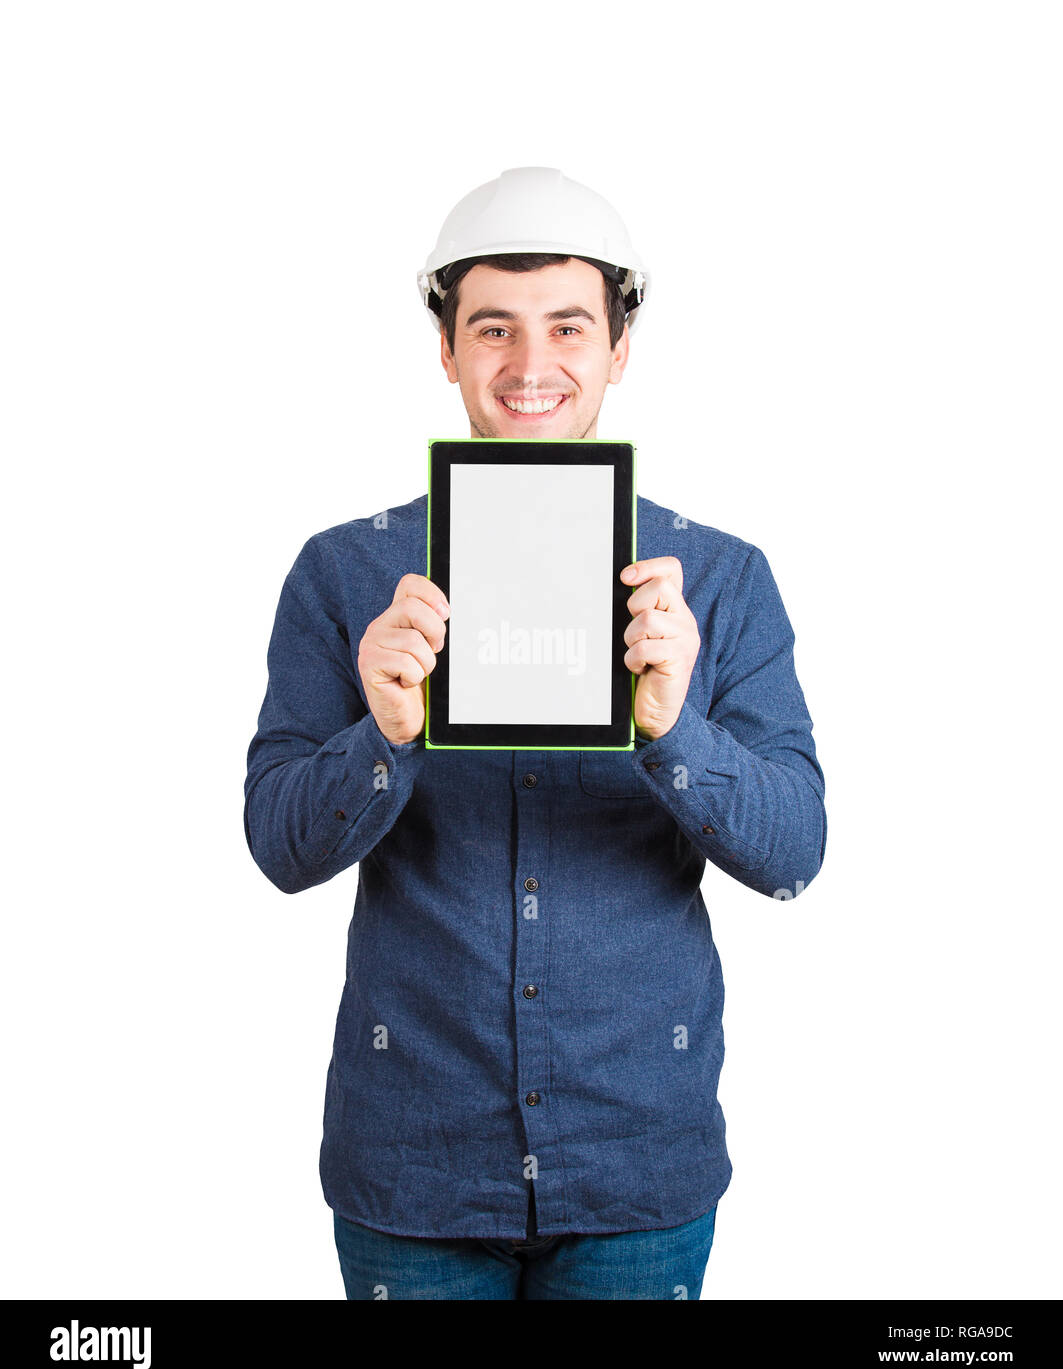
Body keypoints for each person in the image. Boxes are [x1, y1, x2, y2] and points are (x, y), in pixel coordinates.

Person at [243, 167, 827, 1300]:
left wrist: (674, 727)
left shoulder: (719, 580)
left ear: (619, 348)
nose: (528, 366)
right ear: (447, 348)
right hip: (413, 1170)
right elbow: (278, 845)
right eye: (491, 329)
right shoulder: (345, 574)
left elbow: (794, 851)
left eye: (567, 327)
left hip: (635, 1169)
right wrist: (382, 733)